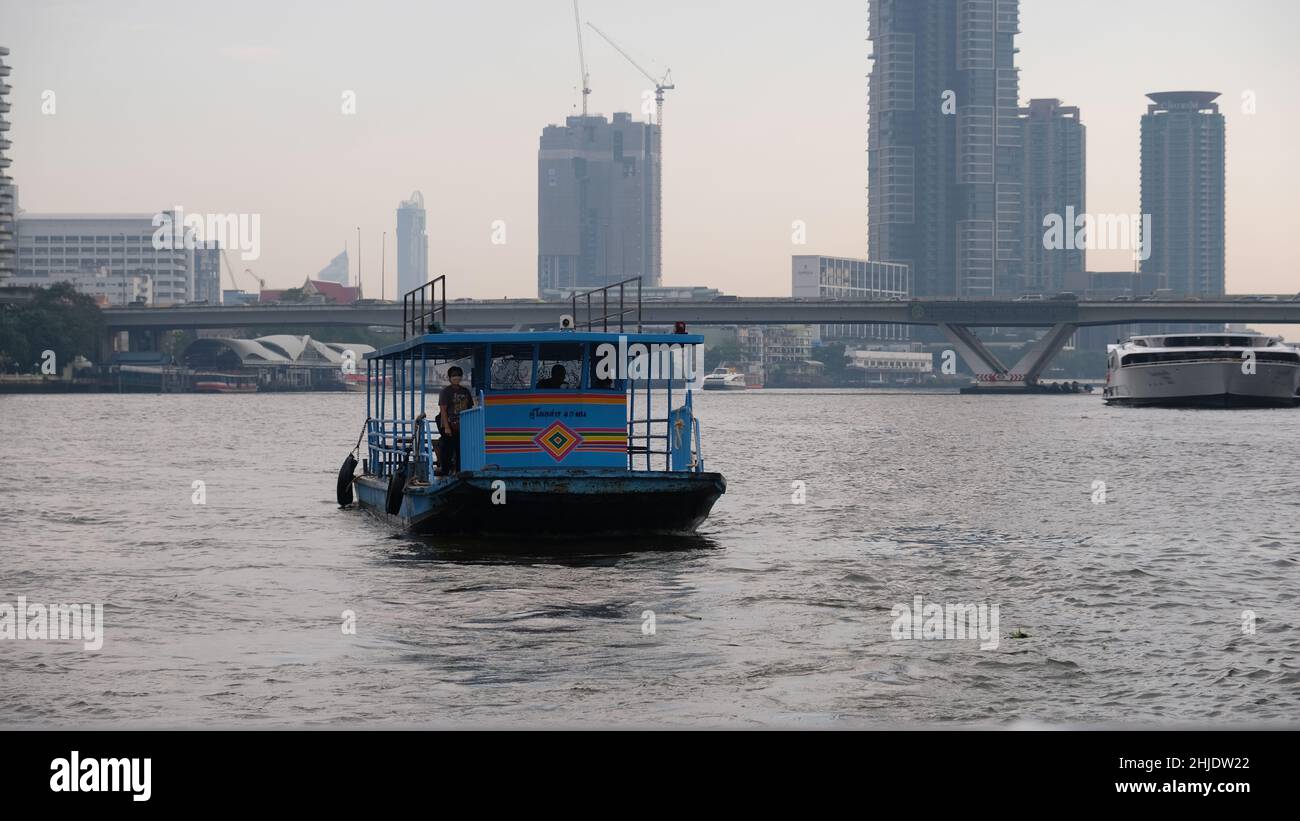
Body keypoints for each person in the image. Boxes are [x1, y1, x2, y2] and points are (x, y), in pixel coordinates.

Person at [436, 365, 474, 476]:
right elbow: (443, 410)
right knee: (447, 449)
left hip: (462, 425)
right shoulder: (445, 392)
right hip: (448, 425)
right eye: (453, 376)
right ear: (449, 378)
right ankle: (445, 471)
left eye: (458, 375)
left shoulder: (465, 391)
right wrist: (447, 427)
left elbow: (470, 408)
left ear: (461, 377)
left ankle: (459, 471)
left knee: (460, 449)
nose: (456, 378)